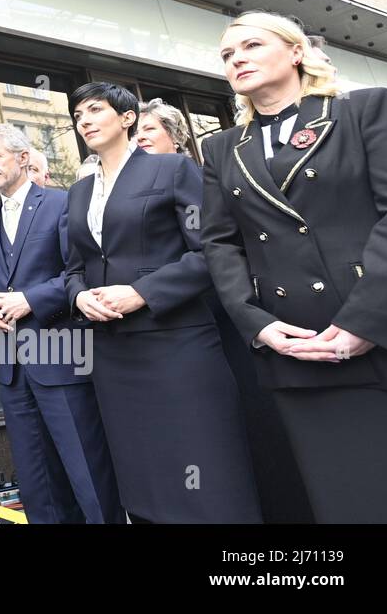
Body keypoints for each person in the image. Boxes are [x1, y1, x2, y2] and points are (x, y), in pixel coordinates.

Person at [202, 12, 387, 523]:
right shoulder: (222, 149)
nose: (236, 58)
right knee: (346, 502)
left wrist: (364, 320)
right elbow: (220, 245)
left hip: (382, 333)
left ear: (295, 51)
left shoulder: (364, 109)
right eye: (227, 55)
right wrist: (259, 327)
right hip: (297, 349)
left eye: (250, 45)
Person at [65, 83, 261, 523]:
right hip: (113, 353)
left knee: (206, 468)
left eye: (96, 110)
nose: (86, 121)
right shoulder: (78, 194)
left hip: (177, 346)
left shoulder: (171, 169)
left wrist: (142, 292)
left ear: (128, 118)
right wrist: (79, 296)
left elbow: (213, 250)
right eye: (78, 116)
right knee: (143, 477)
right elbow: (73, 267)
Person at [137, 93, 313, 523]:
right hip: (181, 325)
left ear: (175, 138)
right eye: (134, 132)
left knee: (253, 421)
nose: (138, 138)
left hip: (230, 316)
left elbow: (215, 250)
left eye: (148, 131)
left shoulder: (197, 175)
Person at [0, 124, 123, 524]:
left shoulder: (61, 202)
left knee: (86, 471)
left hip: (61, 353)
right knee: (37, 482)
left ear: (23, 158)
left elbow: (82, 272)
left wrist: (29, 301)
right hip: (10, 363)